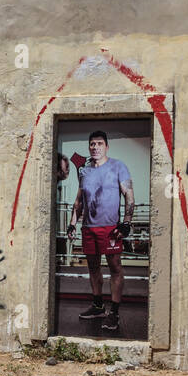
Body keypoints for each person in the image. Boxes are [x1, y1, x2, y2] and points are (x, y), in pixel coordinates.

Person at [68, 130, 134, 332]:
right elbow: (79, 201)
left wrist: (126, 223)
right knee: (93, 267)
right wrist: (73, 223)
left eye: (99, 143)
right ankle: (98, 305)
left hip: (111, 228)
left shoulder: (118, 166)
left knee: (115, 267)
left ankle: (113, 312)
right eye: (92, 144)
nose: (95, 147)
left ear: (106, 146)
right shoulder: (84, 172)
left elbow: (129, 197)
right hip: (89, 227)